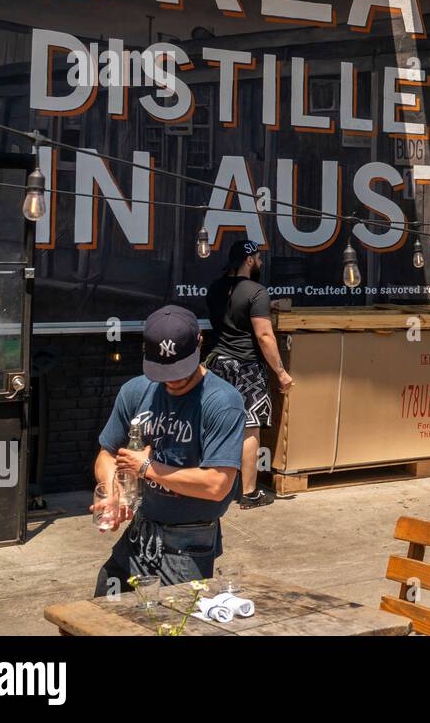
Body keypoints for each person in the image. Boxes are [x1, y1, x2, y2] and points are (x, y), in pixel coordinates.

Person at [92, 305, 245, 596]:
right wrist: (112, 491)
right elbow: (107, 454)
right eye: (163, 371)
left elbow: (217, 485)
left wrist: (146, 468)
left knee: (175, 619)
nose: (173, 379)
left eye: (180, 370)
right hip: (141, 531)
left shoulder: (222, 401)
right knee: (104, 603)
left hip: (189, 540)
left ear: (200, 342)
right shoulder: (135, 391)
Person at [205, 239, 292, 509]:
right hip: (247, 367)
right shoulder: (256, 291)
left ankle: (216, 485)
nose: (261, 263)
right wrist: (281, 372)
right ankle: (250, 492)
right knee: (249, 427)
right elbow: (264, 336)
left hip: (217, 364)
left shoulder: (215, 288)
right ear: (249, 260)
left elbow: (235, 313)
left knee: (217, 426)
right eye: (258, 258)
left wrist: (267, 305)